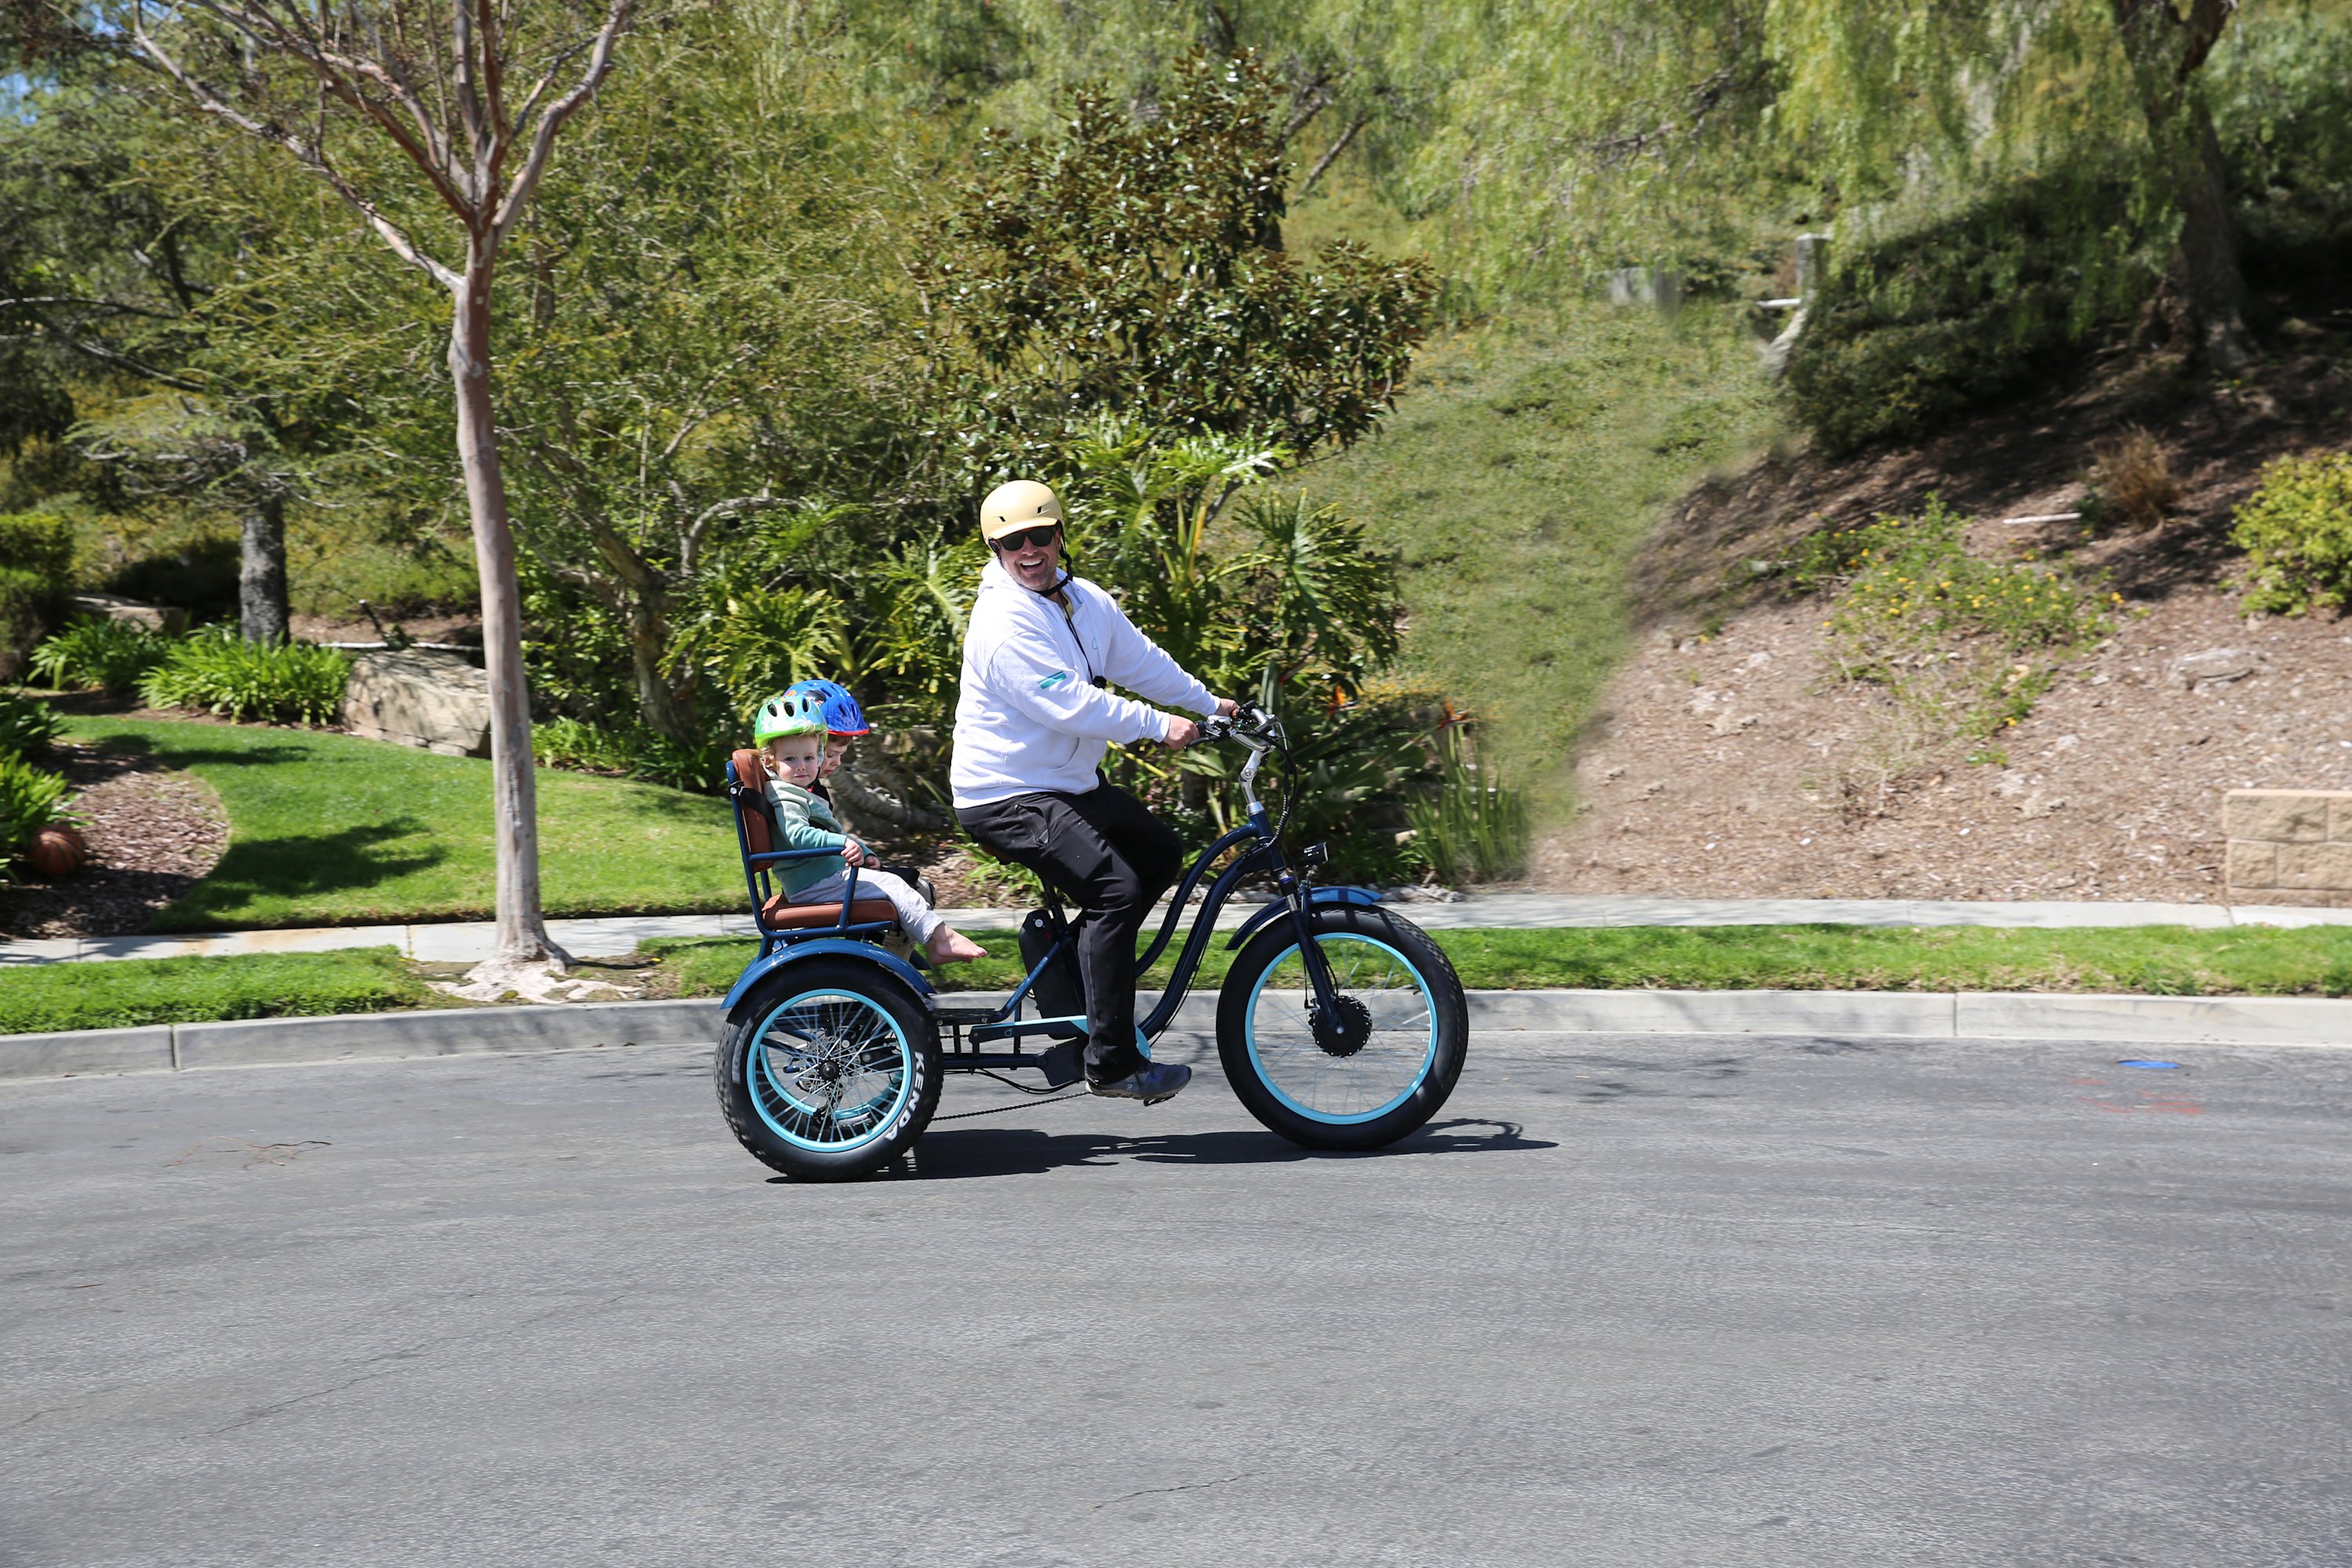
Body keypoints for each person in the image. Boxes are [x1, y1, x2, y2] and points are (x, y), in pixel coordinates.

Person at [949, 478, 1236, 1102]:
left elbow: (1141, 660)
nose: (1028, 551)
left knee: (1158, 852)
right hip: (1005, 796)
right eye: (1011, 542)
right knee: (1114, 890)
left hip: (1065, 786)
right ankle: (1110, 1063)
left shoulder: (1083, 601)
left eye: (1040, 536)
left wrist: (1210, 703)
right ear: (995, 550)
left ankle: (1076, 985)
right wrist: (1159, 726)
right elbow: (1068, 706)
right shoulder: (1001, 622)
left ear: (1059, 536)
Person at [754, 690, 988, 967]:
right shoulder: (786, 795)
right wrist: (842, 844)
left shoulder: (797, 790)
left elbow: (833, 833)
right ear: (770, 761)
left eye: (809, 758)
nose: (803, 766)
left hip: (821, 878)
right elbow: (798, 835)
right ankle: (939, 941)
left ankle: (916, 953)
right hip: (815, 884)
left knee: (896, 883)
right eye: (790, 760)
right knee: (894, 884)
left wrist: (864, 851)